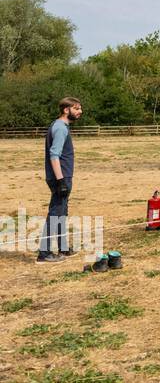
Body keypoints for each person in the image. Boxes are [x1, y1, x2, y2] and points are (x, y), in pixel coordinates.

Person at [38, 97, 82, 263]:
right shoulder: (60, 128)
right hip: (60, 178)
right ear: (66, 110)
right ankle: (44, 253)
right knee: (56, 214)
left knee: (62, 212)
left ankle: (63, 247)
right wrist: (61, 181)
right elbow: (54, 155)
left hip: (62, 177)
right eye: (76, 108)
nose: (80, 111)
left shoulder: (60, 126)